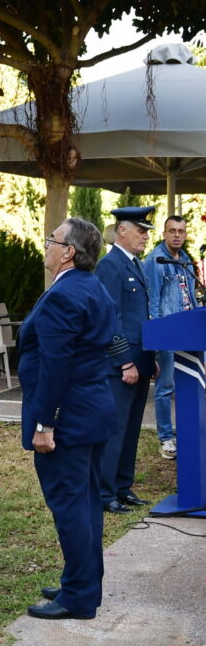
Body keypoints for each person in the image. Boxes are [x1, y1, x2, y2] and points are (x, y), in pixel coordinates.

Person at [18, 217, 117, 621]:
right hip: (92, 413)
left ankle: (78, 597)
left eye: (52, 240)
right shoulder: (92, 286)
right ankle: (81, 581)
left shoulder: (65, 294)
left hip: (70, 422)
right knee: (87, 505)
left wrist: (46, 424)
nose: (47, 245)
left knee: (72, 508)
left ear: (69, 252)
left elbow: (56, 366)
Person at [96, 205, 157, 513]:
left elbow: (140, 316)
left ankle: (123, 486)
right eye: (140, 230)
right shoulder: (110, 265)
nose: (145, 236)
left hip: (141, 360)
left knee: (131, 430)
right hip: (122, 365)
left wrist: (150, 357)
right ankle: (106, 494)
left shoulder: (135, 264)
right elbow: (111, 319)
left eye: (146, 231)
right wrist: (125, 362)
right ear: (122, 230)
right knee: (116, 430)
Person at [143, 215, 198, 459]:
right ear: (164, 233)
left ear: (186, 234)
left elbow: (190, 296)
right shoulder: (155, 260)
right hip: (169, 333)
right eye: (172, 231)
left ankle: (190, 433)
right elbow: (152, 302)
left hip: (191, 332)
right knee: (166, 387)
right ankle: (166, 438)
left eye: (181, 231)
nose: (177, 235)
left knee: (191, 383)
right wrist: (157, 340)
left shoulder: (185, 259)